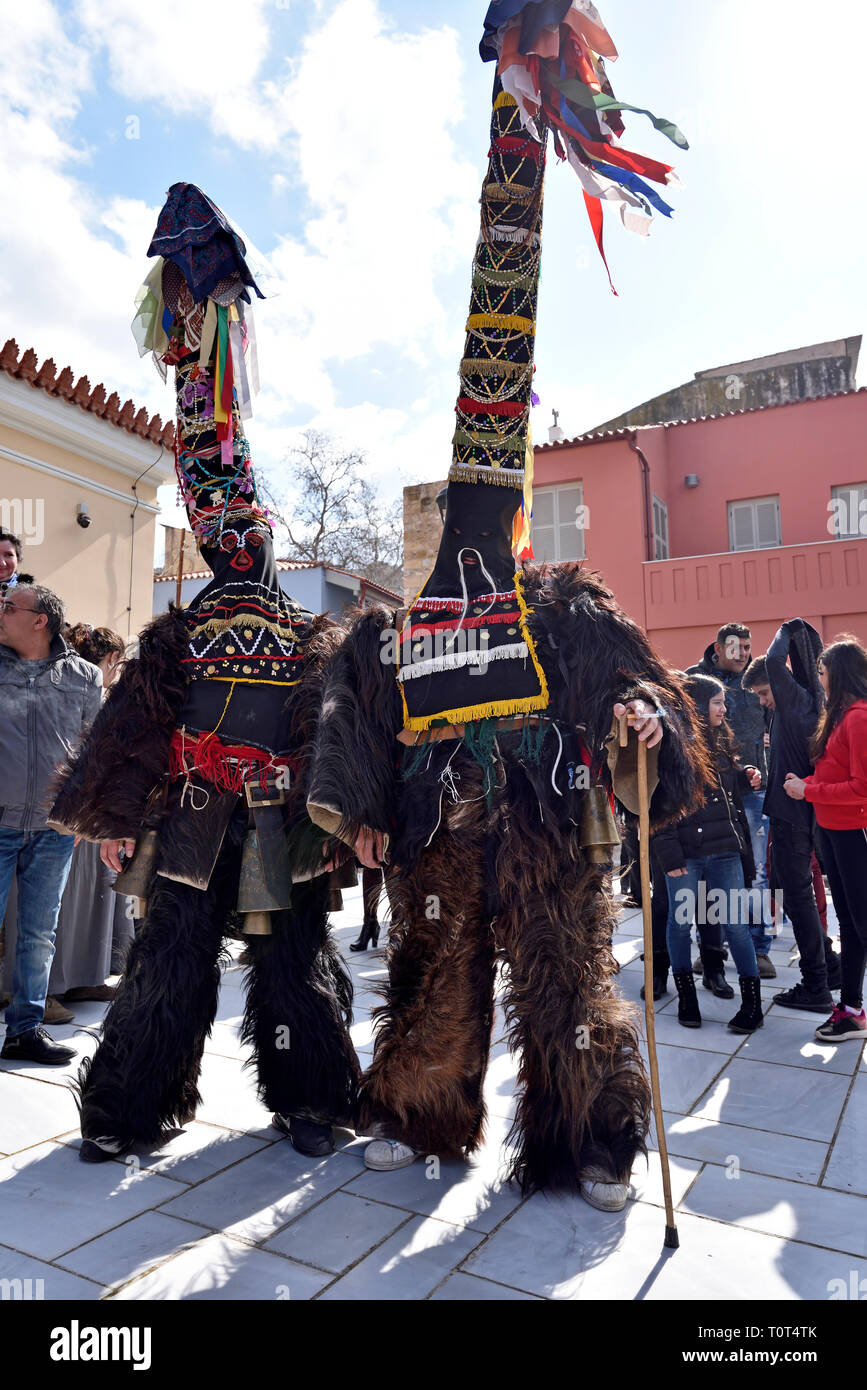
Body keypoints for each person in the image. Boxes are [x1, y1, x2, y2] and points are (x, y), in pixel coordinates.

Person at [305, 14, 707, 1214]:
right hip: (437, 837)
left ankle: (593, 1141)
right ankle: (420, 1111)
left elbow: (643, 695)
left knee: (567, 980)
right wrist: (360, 815)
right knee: (430, 979)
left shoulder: (566, 611)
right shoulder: (410, 618)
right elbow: (359, 711)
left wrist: (640, 716)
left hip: (547, 830)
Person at [48, 184, 360, 1162]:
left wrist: (344, 817)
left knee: (292, 969)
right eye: (225, 531)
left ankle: (312, 1102)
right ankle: (125, 1111)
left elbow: (330, 735)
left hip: (275, 825)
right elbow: (135, 728)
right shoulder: (184, 631)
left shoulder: (307, 634)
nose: (237, 537)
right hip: (189, 814)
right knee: (167, 964)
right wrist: (112, 822)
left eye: (248, 531)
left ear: (267, 544)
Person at [0, 585, 102, 1064]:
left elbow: (95, 753)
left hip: (53, 829)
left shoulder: (85, 677)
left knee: (38, 933)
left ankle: (25, 1029)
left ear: (40, 620)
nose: (0, 612)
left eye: (8, 607)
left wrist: (85, 810)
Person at [653, 674, 763, 1032]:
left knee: (736, 926)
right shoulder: (672, 749)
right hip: (686, 856)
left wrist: (744, 773)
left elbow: (726, 792)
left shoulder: (720, 742)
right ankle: (686, 997)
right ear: (699, 707)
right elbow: (660, 807)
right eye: (717, 702)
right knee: (680, 924)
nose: (724, 708)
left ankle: (753, 1005)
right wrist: (670, 857)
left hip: (725, 852)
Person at [742, 620, 838, 1012]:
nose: (763, 701)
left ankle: (816, 984)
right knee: (796, 897)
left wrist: (789, 626)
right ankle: (829, 966)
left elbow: (777, 659)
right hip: (794, 814)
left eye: (764, 693)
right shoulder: (798, 705)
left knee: (797, 901)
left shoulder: (796, 699)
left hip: (793, 819)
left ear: (778, 682)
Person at [783, 637, 867, 1041]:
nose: (819, 677)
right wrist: (806, 784)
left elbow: (861, 789)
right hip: (833, 831)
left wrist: (809, 791)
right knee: (850, 922)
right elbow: (835, 776)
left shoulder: (858, 718)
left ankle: (852, 1009)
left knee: (861, 923)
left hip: (854, 833)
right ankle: (851, 1009)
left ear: (840, 672)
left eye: (822, 670)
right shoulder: (840, 716)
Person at [43, 625, 127, 1021]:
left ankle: (84, 977)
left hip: (99, 810)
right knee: (65, 903)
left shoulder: (102, 694)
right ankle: (49, 988)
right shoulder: (77, 690)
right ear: (109, 659)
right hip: (75, 811)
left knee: (95, 900)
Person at [687, 623, 775, 977]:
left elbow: (774, 717)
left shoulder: (758, 678)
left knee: (758, 873)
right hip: (708, 792)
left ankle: (761, 947)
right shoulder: (695, 678)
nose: (742, 653)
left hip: (755, 789)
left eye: (747, 646)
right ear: (718, 648)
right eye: (735, 647)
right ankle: (712, 948)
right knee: (709, 874)